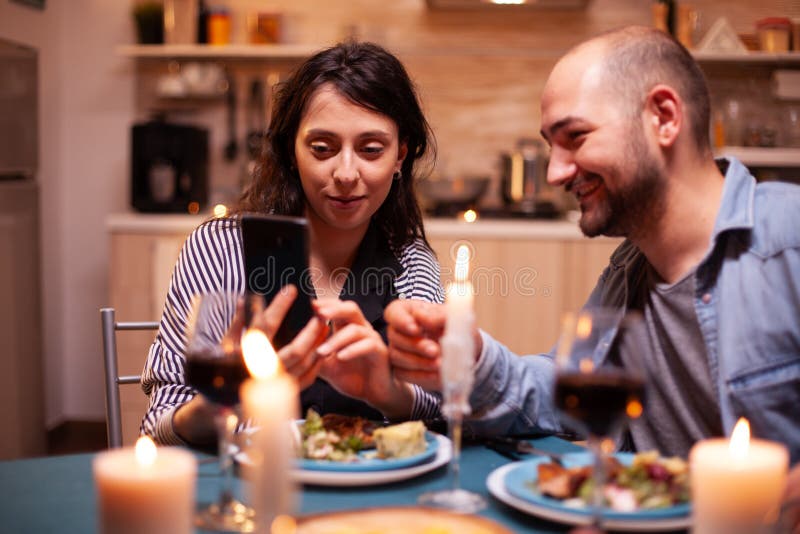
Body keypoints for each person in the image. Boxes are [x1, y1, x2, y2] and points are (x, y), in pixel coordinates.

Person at [385, 26, 800, 466]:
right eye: (550, 147)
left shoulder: (787, 240)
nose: (555, 174)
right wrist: (477, 359)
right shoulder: (630, 266)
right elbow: (565, 390)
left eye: (576, 137)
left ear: (663, 117)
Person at [140, 41, 444, 446]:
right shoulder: (219, 251)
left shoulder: (411, 262)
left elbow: (441, 405)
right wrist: (237, 393)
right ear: (290, 151)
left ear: (400, 156)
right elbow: (159, 427)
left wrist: (386, 391)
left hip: (370, 497)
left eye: (372, 150)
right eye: (322, 149)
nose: (346, 173)